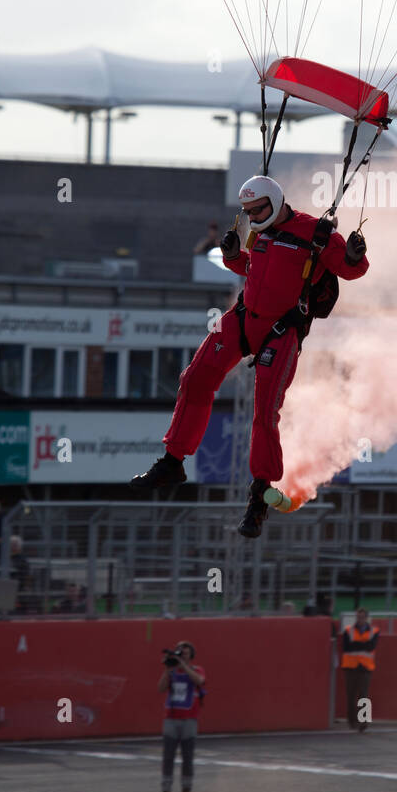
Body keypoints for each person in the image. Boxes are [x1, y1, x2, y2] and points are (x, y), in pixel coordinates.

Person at [132, 175, 368, 538]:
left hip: (283, 329)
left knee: (264, 410)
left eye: (257, 209)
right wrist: (231, 256)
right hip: (243, 318)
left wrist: (354, 254)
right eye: (247, 211)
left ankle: (259, 496)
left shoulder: (317, 233)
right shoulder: (260, 232)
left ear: (275, 201)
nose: (252, 216)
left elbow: (350, 270)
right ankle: (173, 461)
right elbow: (254, 268)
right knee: (195, 379)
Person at [158, 640, 206, 792]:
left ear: (191, 655)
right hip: (171, 719)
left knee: (187, 757)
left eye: (185, 653)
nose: (182, 656)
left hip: (189, 720)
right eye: (180, 653)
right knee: (168, 757)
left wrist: (183, 665)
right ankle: (165, 790)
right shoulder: (172, 671)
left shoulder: (196, 669)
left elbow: (199, 681)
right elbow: (160, 688)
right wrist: (168, 669)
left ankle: (186, 790)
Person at [340, 608, 379, 732]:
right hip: (350, 667)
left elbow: (371, 646)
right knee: (351, 695)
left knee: (364, 695)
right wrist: (363, 643)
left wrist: (356, 643)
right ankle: (352, 720)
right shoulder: (348, 630)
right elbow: (346, 647)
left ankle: (364, 721)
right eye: (358, 617)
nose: (360, 619)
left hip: (365, 667)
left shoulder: (374, 631)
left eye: (362, 617)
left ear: (366, 618)